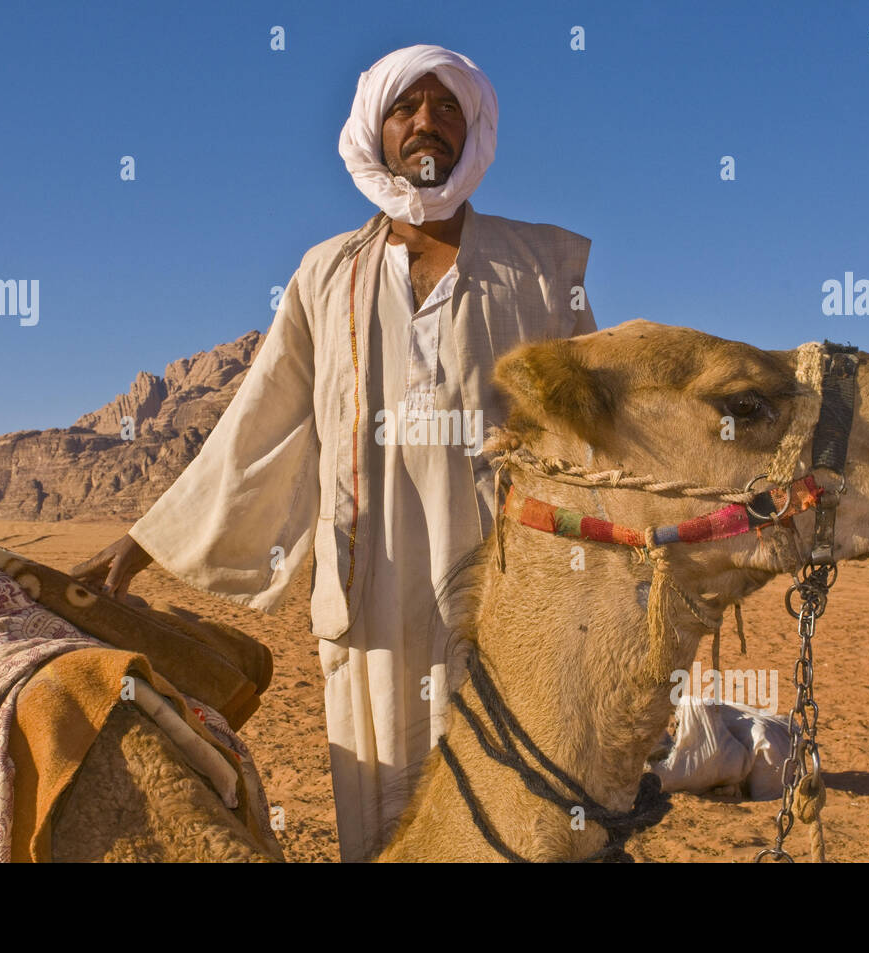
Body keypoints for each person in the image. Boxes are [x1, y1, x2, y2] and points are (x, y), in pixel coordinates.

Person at [72, 44, 597, 861]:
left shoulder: (540, 270)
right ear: (374, 131)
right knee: (384, 821)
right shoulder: (326, 276)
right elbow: (257, 424)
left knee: (509, 816)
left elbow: (597, 430)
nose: (427, 123)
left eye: (447, 107)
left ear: (474, 129)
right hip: (369, 602)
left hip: (503, 603)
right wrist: (144, 542)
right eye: (405, 108)